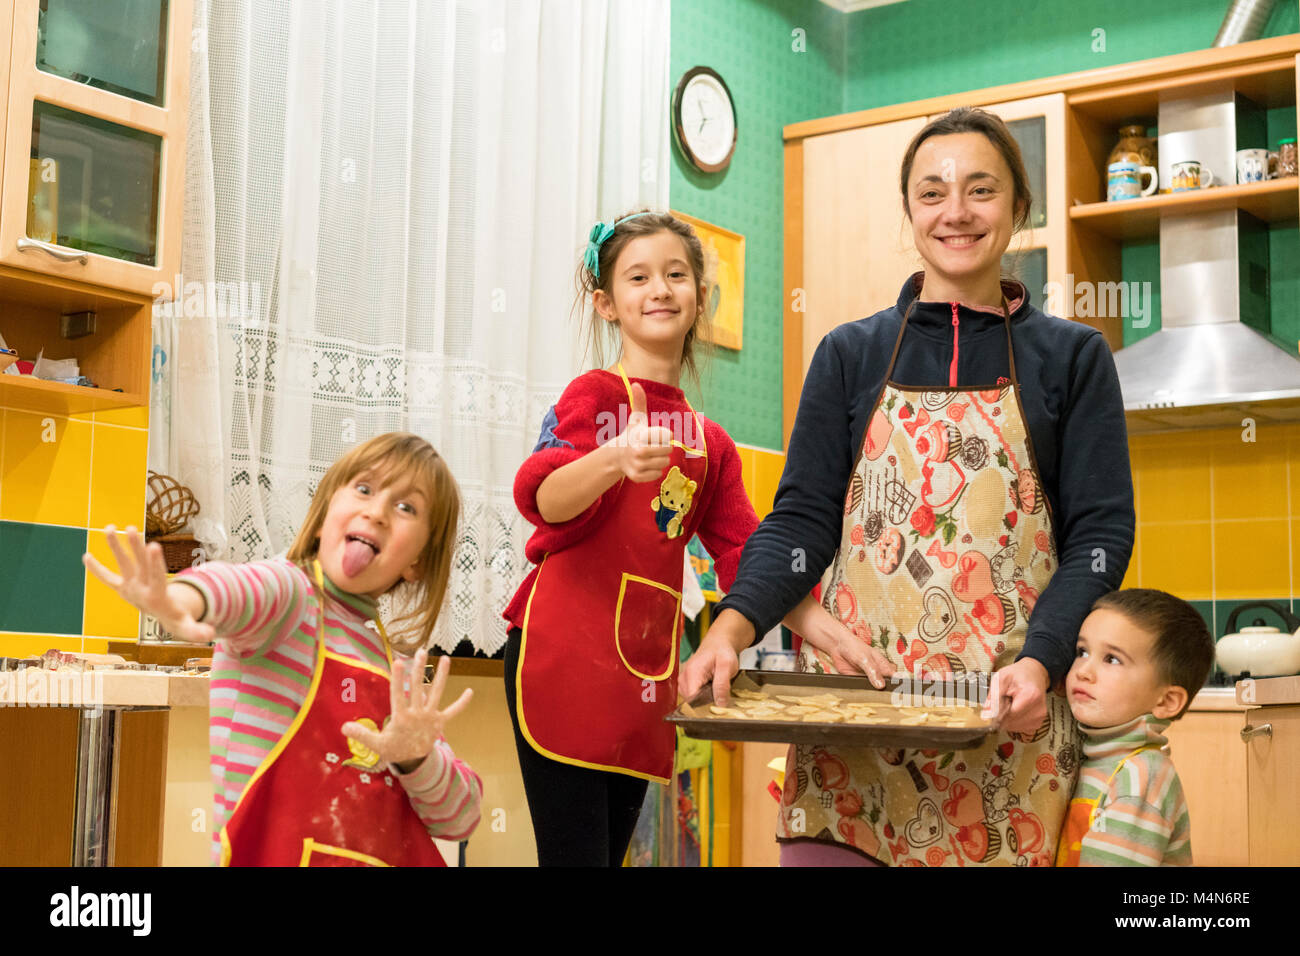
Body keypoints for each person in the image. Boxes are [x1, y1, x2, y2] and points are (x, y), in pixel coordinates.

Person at [681, 107, 1136, 866]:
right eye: (932, 193)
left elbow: (1099, 536)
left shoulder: (1073, 356)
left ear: (1018, 209)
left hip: (1006, 725)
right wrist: (732, 628)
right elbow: (800, 523)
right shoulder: (848, 354)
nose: (956, 211)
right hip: (853, 725)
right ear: (909, 212)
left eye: (980, 189)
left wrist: (1042, 660)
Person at [502, 210, 860, 866]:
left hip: (640, 673)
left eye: (675, 274)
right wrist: (614, 458)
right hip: (560, 660)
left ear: (701, 296)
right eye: (638, 277)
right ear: (607, 304)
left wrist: (829, 632)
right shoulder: (593, 396)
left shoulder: (710, 441)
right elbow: (541, 498)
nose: (659, 288)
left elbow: (749, 557)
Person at [83, 433, 482, 866]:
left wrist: (416, 757)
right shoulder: (291, 598)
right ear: (328, 510)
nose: (378, 511)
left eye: (407, 507)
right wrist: (180, 600)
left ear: (417, 562)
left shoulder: (396, 671)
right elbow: (235, 587)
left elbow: (460, 819)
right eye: (364, 489)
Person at [1056, 589, 1213, 866]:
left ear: (1166, 700)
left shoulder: (1141, 777)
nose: (1083, 671)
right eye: (1082, 652)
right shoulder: (1095, 756)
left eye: (1112, 659)